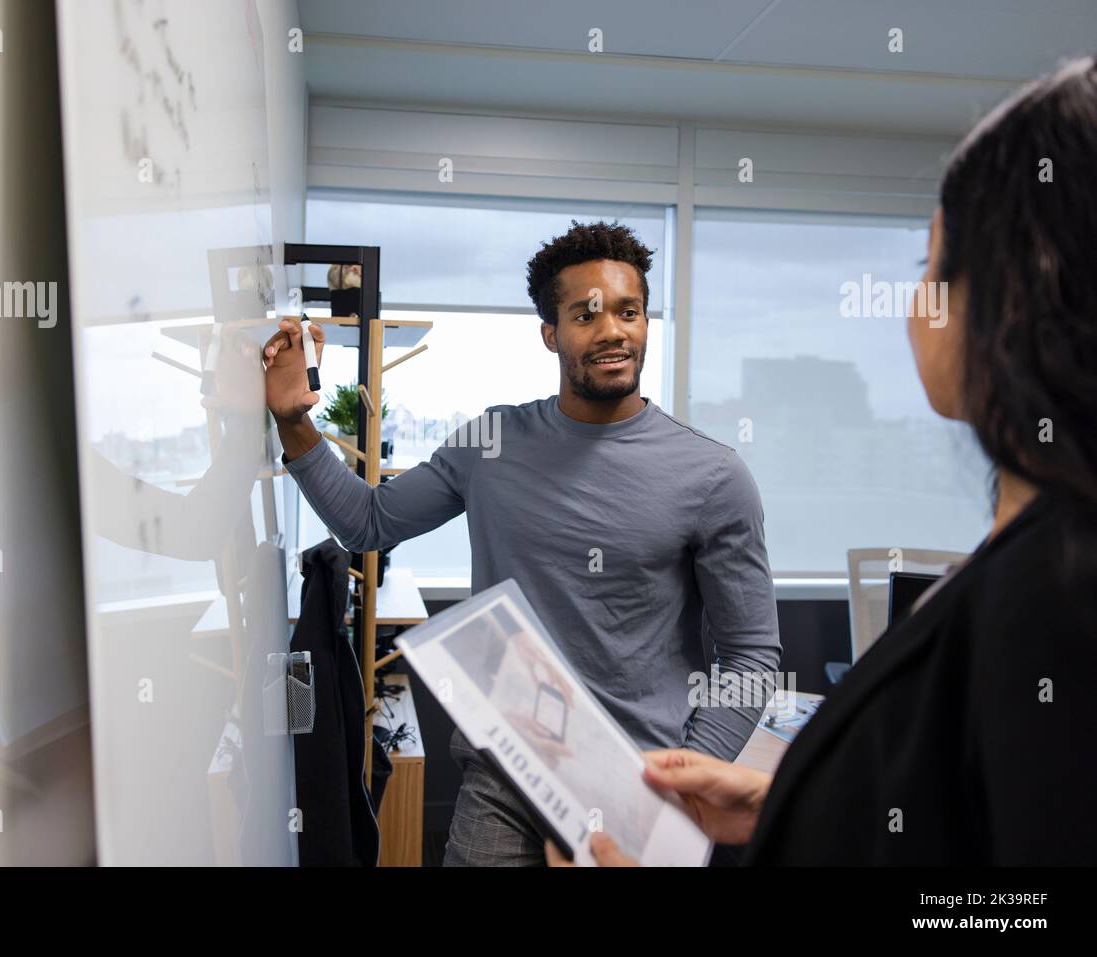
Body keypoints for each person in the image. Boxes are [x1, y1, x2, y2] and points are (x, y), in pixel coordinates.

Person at [549, 56, 1097, 867]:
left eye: (930, 266)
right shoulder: (1038, 553)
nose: (914, 305)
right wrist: (784, 803)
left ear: (1016, 295)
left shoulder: (1061, 597)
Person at [262, 222, 782, 866]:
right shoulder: (492, 445)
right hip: (506, 773)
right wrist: (293, 421)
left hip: (641, 778)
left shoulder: (713, 476)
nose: (613, 330)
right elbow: (368, 523)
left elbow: (751, 655)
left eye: (630, 311)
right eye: (586, 315)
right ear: (551, 333)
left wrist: (687, 777)